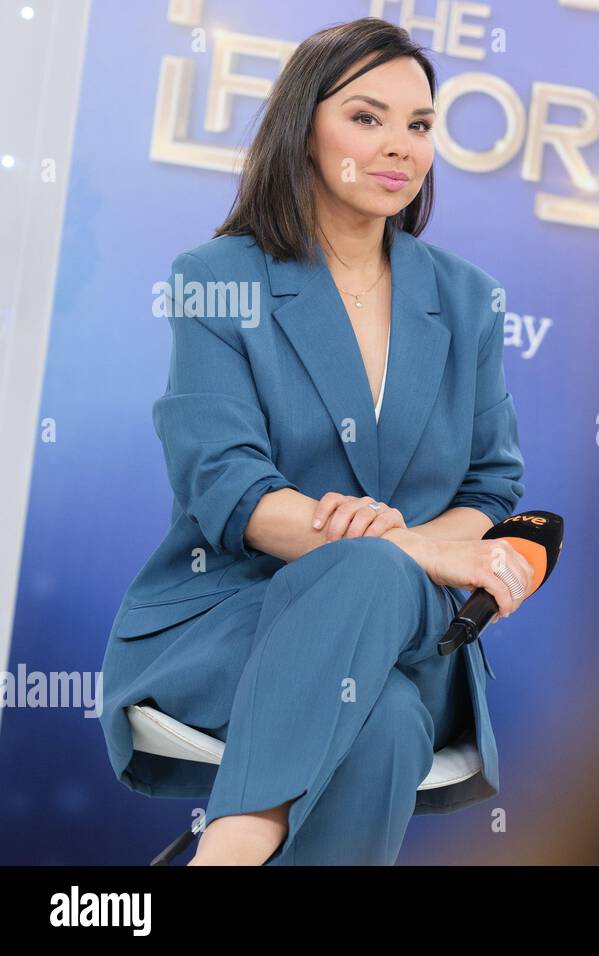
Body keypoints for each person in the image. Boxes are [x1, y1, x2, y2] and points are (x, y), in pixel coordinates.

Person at [98, 17, 535, 865]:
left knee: (380, 577)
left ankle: (223, 849)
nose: (400, 146)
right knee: (385, 726)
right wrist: (407, 551)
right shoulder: (218, 277)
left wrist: (398, 555)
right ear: (305, 128)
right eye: (367, 118)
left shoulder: (468, 298)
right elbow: (226, 488)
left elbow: (489, 493)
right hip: (235, 620)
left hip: (407, 638)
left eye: (419, 124)